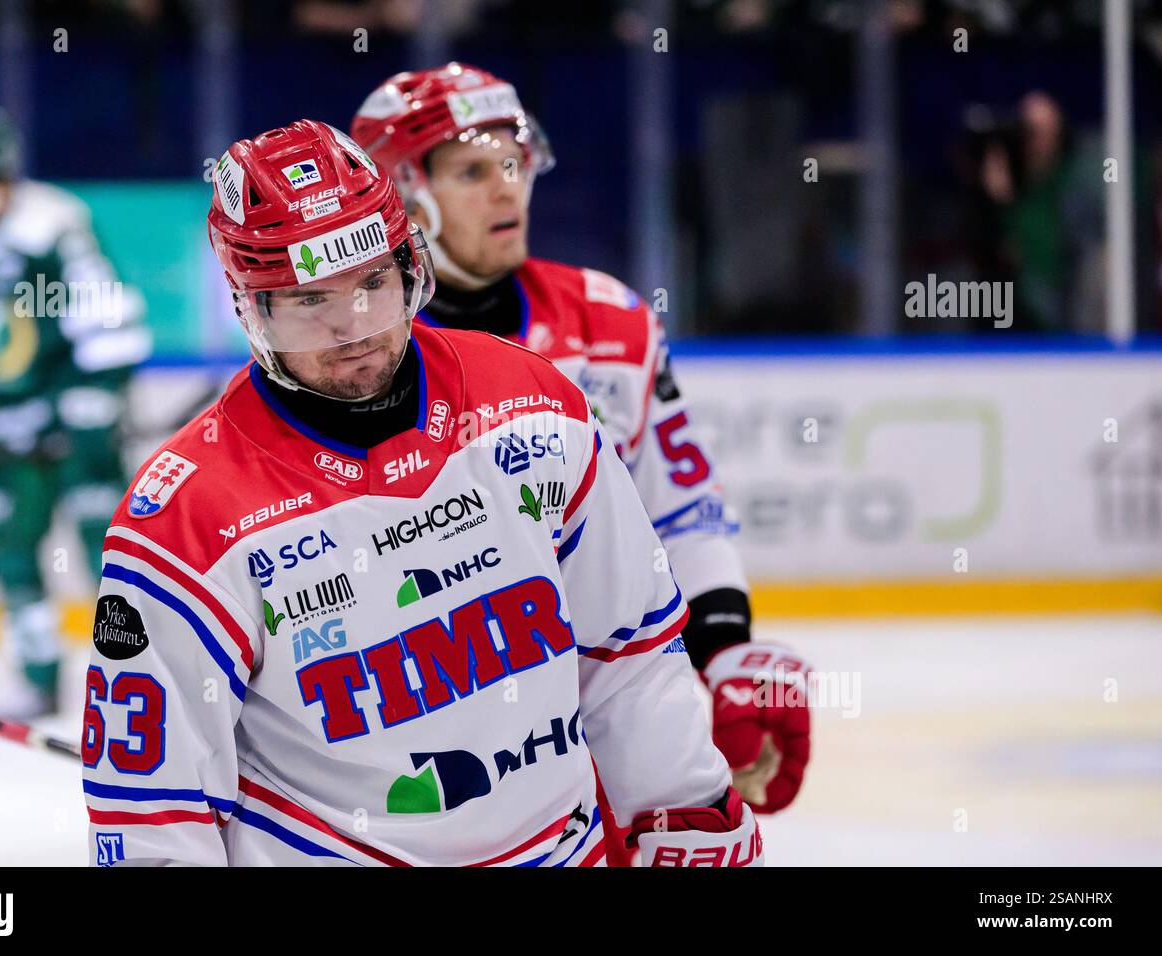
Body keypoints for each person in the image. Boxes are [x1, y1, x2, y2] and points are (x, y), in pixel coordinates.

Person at [80, 119, 762, 867]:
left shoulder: (532, 400)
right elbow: (153, 808)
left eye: (373, 283)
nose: (354, 329)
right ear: (251, 308)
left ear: (410, 267)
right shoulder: (185, 518)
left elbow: (628, 652)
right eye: (311, 301)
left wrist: (687, 807)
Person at [350, 64, 811, 823]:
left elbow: (679, 510)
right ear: (402, 196)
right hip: (429, 755)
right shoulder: (357, 359)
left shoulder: (609, 324)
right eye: (472, 173)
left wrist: (726, 648)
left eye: (514, 164)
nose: (507, 190)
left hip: (610, 730)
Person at [0, 107, 150, 715]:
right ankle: (39, 680)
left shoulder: (54, 223)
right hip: (6, 436)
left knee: (111, 553)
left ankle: (140, 677)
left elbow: (108, 314)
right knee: (11, 554)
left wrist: (94, 393)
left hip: (74, 431)